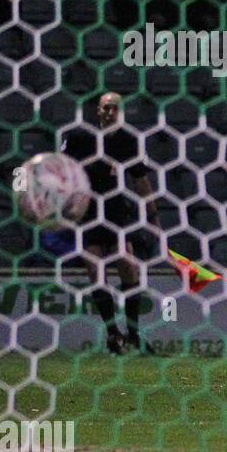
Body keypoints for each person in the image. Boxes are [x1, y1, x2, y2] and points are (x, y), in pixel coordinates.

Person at [59, 93, 160, 355]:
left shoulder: (128, 140)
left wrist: (152, 215)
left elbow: (140, 179)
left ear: (121, 111)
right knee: (96, 271)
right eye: (106, 107)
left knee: (128, 266)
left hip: (115, 209)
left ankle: (134, 333)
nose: (110, 112)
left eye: (115, 108)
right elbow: (62, 171)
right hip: (86, 211)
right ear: (98, 110)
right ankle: (113, 334)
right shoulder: (79, 137)